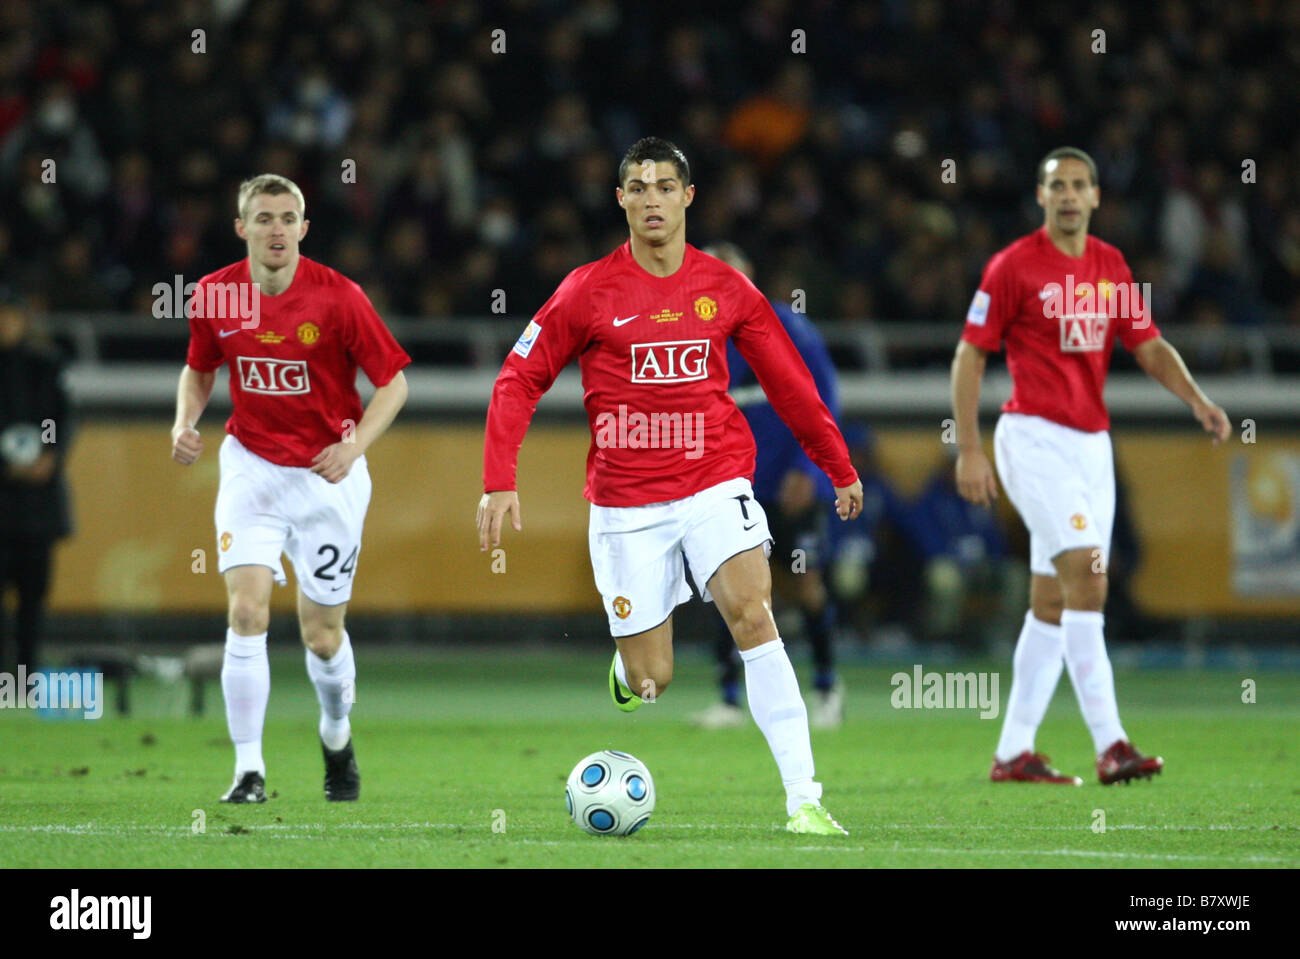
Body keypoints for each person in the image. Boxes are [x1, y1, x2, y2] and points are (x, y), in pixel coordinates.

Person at [477, 138, 863, 835]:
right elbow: (519, 377)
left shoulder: (727, 288)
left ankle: (804, 798)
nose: (651, 197)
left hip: (716, 480)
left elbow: (791, 385)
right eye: (637, 186)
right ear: (620, 199)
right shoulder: (587, 289)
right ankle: (629, 674)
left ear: (687, 196)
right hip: (626, 503)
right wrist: (498, 479)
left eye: (663, 185)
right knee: (654, 676)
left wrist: (836, 464)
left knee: (754, 612)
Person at [951, 147, 1230, 786]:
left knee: (1053, 600)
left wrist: (1198, 400)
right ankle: (1112, 744)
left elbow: (1148, 344)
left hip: (1090, 446)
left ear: (1097, 197)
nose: (1070, 195)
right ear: (1042, 197)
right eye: (1058, 186)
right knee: (1091, 579)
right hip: (1033, 439)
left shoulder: (1109, 265)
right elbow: (971, 355)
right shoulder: (1013, 266)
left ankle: (1013, 753)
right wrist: (969, 446)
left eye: (1080, 185)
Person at [172, 174, 410, 803]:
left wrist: (354, 446)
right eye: (263, 217)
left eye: (287, 218)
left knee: (321, 635)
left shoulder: (339, 298)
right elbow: (199, 370)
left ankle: (336, 735)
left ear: (304, 229)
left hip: (327, 476)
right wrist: (184, 422)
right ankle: (249, 771)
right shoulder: (215, 295)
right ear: (241, 227)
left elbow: (394, 384)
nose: (275, 229)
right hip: (251, 467)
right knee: (246, 610)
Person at [690, 242, 845, 730]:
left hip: (790, 484)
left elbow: (823, 396)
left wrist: (810, 467)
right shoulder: (696, 336)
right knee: (726, 587)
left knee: (807, 584)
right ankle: (731, 700)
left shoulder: (787, 326)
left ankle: (826, 689)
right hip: (730, 485)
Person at [0, 287, 73, 677]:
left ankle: (26, 678)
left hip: (36, 509)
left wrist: (48, 454)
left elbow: (55, 421)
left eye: (10, 315)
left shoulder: (44, 366)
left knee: (33, 598)